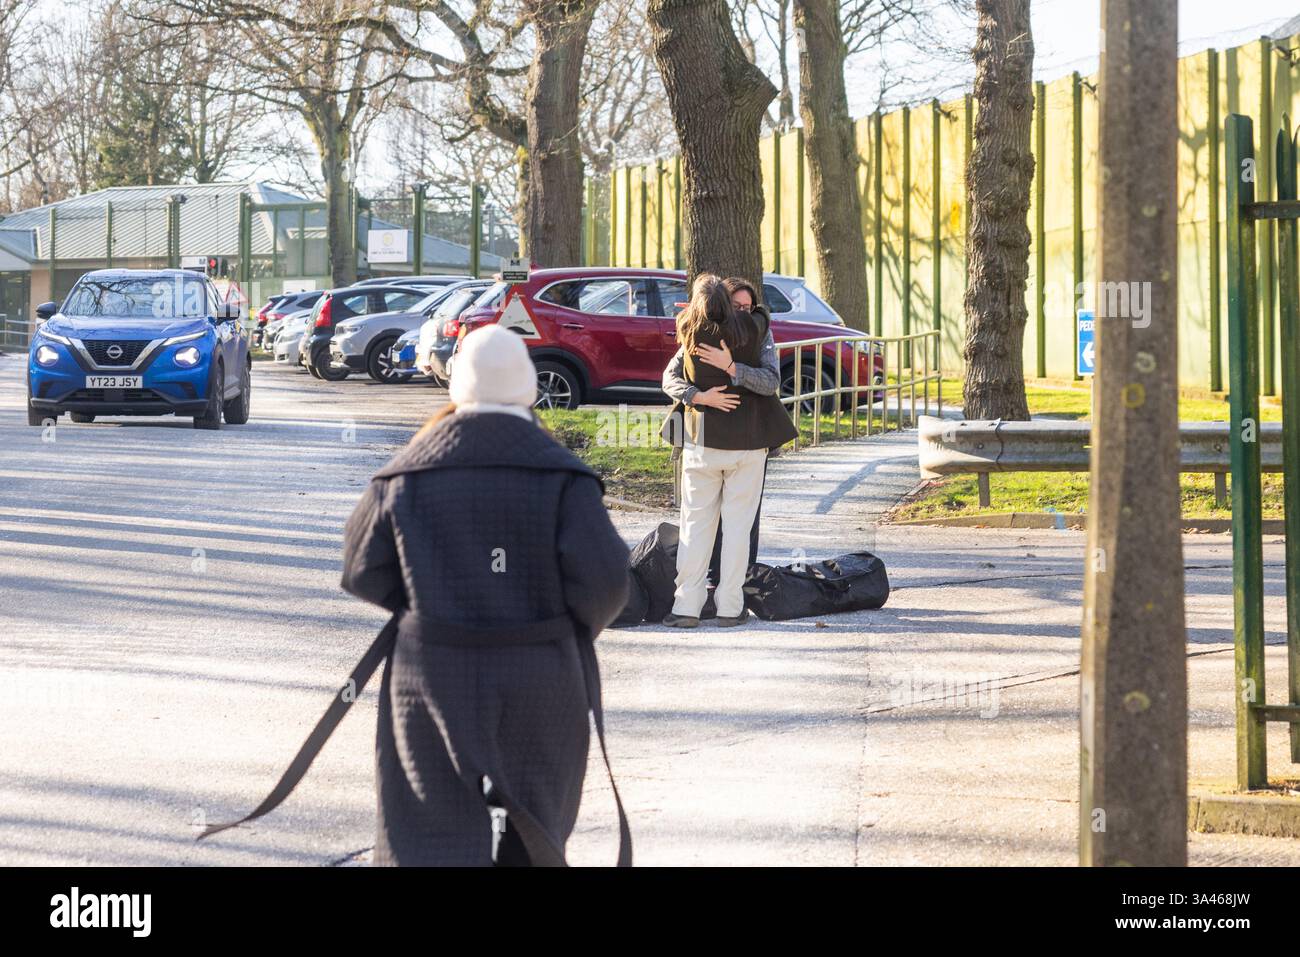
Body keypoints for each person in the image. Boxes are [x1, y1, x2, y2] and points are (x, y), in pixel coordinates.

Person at [340, 323, 632, 866]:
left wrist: (425, 601)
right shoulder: (564, 477)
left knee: (428, 832)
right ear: (527, 386)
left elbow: (361, 568)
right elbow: (608, 581)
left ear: (455, 386)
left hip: (431, 672)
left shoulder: (405, 474)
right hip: (540, 673)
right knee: (537, 829)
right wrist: (564, 627)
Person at [664, 274, 796, 629]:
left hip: (702, 441)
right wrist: (700, 395)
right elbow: (771, 382)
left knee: (694, 525)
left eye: (747, 306)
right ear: (725, 301)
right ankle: (729, 606)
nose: (743, 310)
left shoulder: (690, 327)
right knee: (738, 528)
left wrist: (727, 369)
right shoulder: (757, 330)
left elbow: (670, 376)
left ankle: (686, 606)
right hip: (747, 444)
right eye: (737, 304)